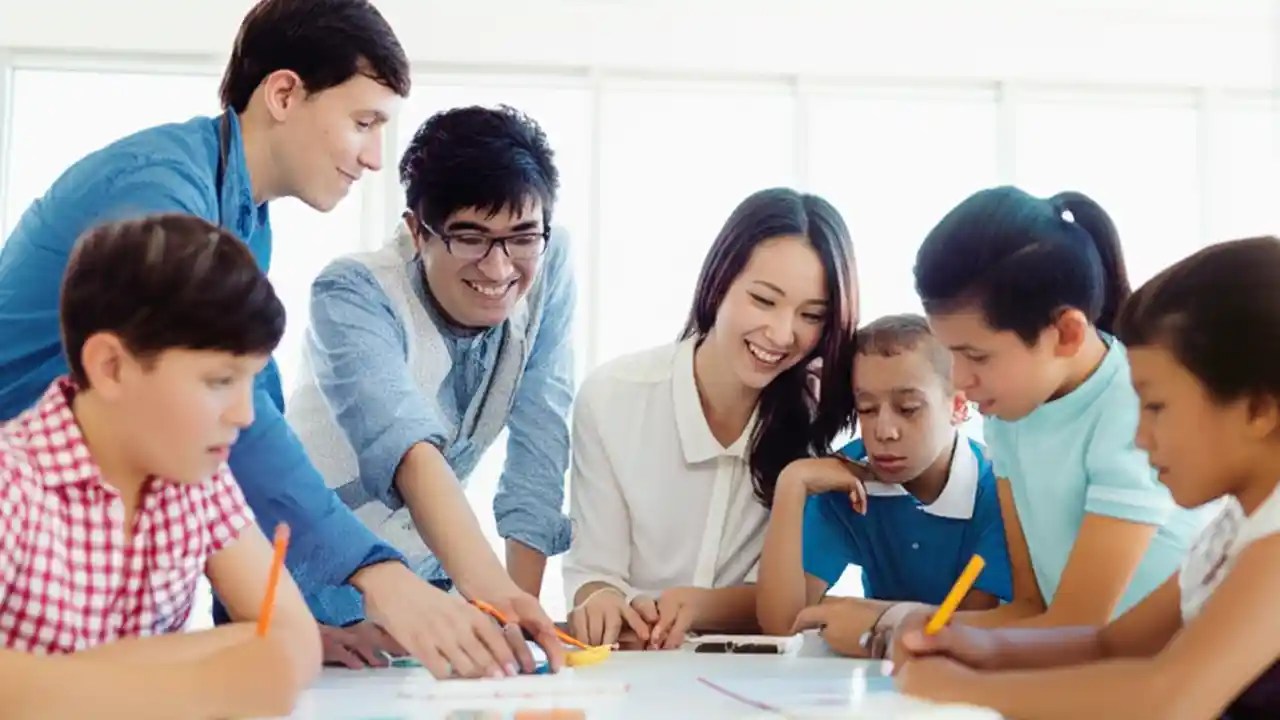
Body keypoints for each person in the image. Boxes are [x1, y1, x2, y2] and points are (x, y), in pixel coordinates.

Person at [0, 0, 535, 677]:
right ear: (284, 93)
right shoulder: (160, 196)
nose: (375, 157)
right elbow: (248, 437)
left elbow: (257, 412)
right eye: (364, 122)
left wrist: (290, 623)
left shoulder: (242, 216)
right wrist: (379, 574)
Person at [893, 236, 1280, 720]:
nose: (1140, 438)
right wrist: (985, 649)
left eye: (1156, 407)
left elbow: (1170, 697)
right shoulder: (1234, 532)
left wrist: (967, 689)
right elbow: (1110, 642)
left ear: (1259, 408)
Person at [284, 105, 571, 665]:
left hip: (431, 583)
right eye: (470, 238)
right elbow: (406, 449)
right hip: (307, 591)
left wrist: (519, 611)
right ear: (418, 230)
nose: (498, 268)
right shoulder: (353, 293)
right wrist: (493, 591)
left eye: (520, 237)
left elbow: (540, 436)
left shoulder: (548, 261)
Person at [0, 215, 319, 716]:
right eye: (219, 381)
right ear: (111, 367)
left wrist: (49, 680)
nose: (244, 414)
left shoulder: (197, 479)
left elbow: (291, 640)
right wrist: (196, 681)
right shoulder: (12, 484)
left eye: (250, 381)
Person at [562, 187, 859, 650]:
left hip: (760, 679)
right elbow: (595, 570)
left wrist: (696, 605)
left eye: (811, 315)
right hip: (637, 670)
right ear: (719, 282)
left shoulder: (819, 417)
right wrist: (600, 600)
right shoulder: (613, 397)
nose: (782, 334)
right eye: (763, 300)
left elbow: (792, 600)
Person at [902, 186, 1209, 631]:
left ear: (1066, 333)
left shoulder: (1134, 409)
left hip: (1166, 677)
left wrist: (894, 627)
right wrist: (905, 627)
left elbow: (1078, 627)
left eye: (977, 356)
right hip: (1085, 667)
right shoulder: (1006, 412)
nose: (959, 380)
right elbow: (1031, 608)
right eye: (950, 353)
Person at [757, 314, 1012, 654]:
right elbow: (782, 622)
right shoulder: (845, 479)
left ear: (959, 406)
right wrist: (793, 483)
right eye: (867, 409)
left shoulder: (999, 489)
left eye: (908, 409)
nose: (884, 431)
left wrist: (878, 617)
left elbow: (972, 626)